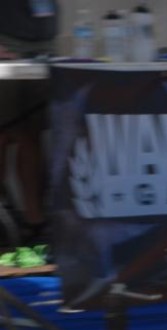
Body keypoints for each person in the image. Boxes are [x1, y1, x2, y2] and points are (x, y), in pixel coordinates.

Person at [0, 1, 58, 246]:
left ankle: (34, 221)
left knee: (31, 134)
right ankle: (5, 221)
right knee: (5, 132)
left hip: (43, 47)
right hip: (8, 45)